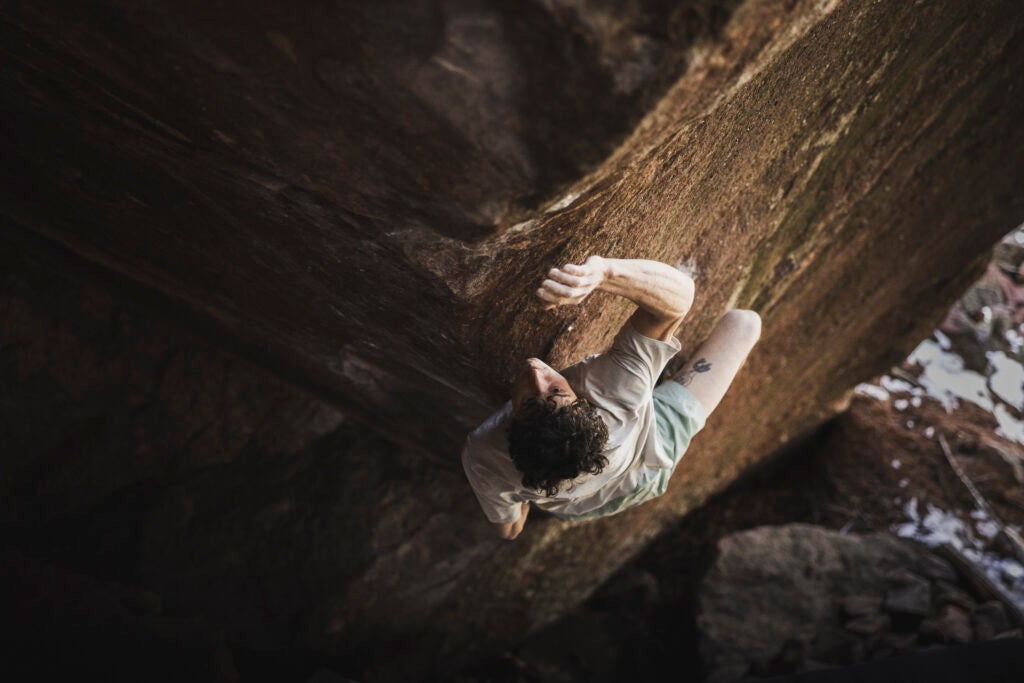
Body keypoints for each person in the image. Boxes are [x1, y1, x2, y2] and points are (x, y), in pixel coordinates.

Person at [461, 255, 762, 539]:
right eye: (552, 391)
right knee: (745, 323)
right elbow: (678, 299)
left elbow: (511, 529)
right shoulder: (615, 395)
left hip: (582, 508)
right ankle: (660, 378)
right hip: (652, 461)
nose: (536, 373)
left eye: (534, 398)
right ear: (584, 400)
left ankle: (657, 374)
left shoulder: (486, 457)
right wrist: (604, 273)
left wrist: (517, 495)